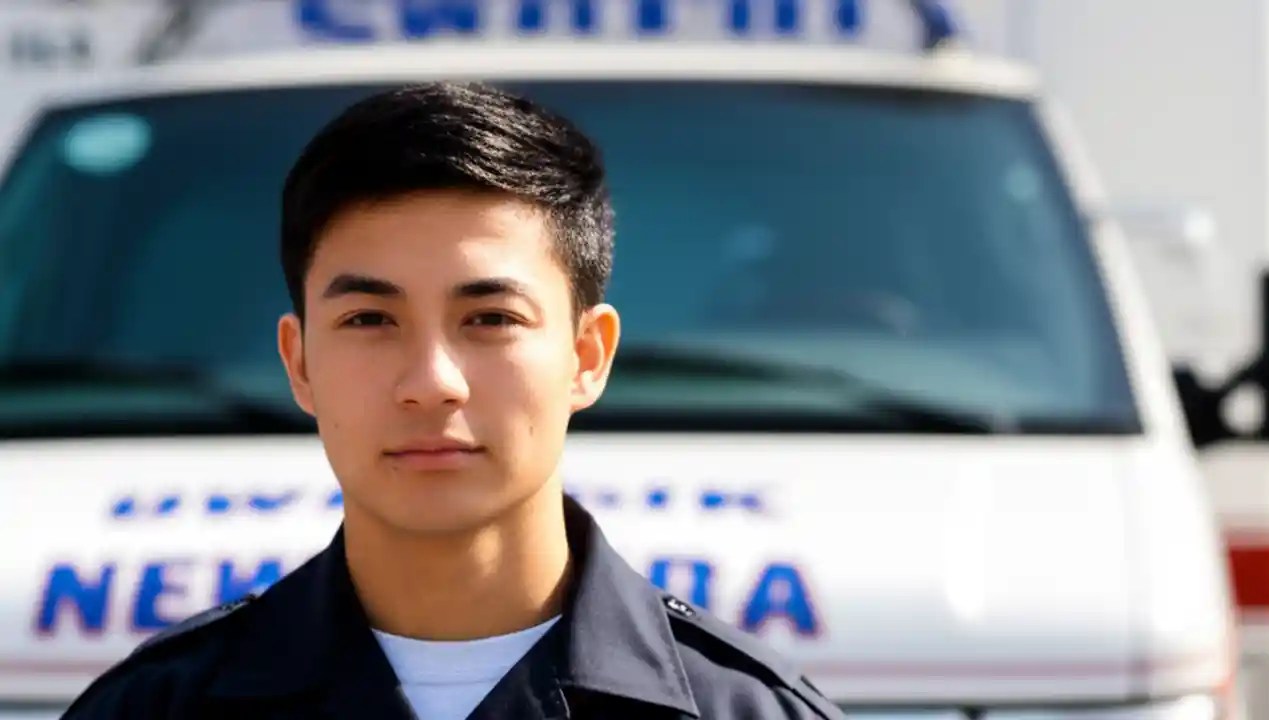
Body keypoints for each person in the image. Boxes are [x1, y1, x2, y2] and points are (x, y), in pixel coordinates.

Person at [61, 81, 842, 720]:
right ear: (299, 364)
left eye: (491, 319)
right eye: (369, 319)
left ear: (587, 354)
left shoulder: (745, 712)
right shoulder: (154, 710)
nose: (432, 380)